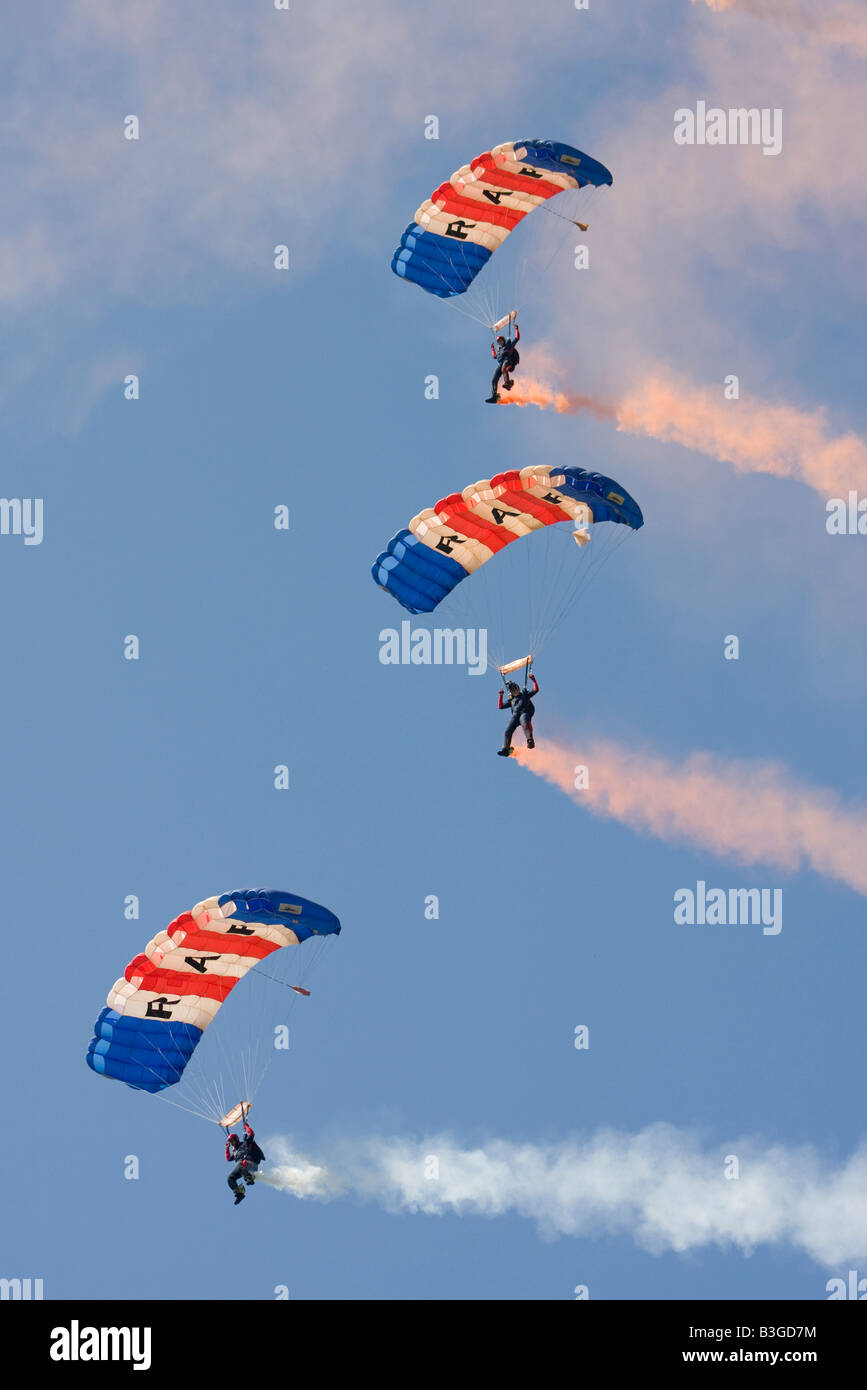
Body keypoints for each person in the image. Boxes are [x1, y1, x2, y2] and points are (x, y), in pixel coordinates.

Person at [225, 1116, 266, 1205]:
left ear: (236, 1139)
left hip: (251, 1164)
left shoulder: (245, 1143)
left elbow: (251, 1134)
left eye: (232, 1141)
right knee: (230, 1178)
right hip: (243, 1168)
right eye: (230, 1142)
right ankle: (239, 1194)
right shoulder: (236, 1152)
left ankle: (249, 1177)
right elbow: (228, 1159)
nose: (231, 1143)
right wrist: (227, 1149)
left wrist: (246, 1126)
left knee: (240, 1163)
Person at [497, 673, 539, 755]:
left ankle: (530, 740)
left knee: (524, 723)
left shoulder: (525, 694)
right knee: (508, 731)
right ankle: (506, 749)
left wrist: (533, 679)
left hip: (524, 713)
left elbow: (536, 689)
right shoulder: (512, 700)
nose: (514, 690)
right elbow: (500, 706)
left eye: (515, 688)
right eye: (513, 690)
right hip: (515, 716)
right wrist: (501, 695)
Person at [485, 323, 520, 403]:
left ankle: (507, 383)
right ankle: (494, 396)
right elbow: (494, 356)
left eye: (501, 340)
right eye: (498, 342)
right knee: (494, 379)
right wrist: (492, 348)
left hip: (508, 361)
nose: (500, 342)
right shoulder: (499, 351)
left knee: (503, 368)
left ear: (503, 340)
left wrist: (516, 329)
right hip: (501, 364)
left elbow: (517, 338)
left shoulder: (508, 346)